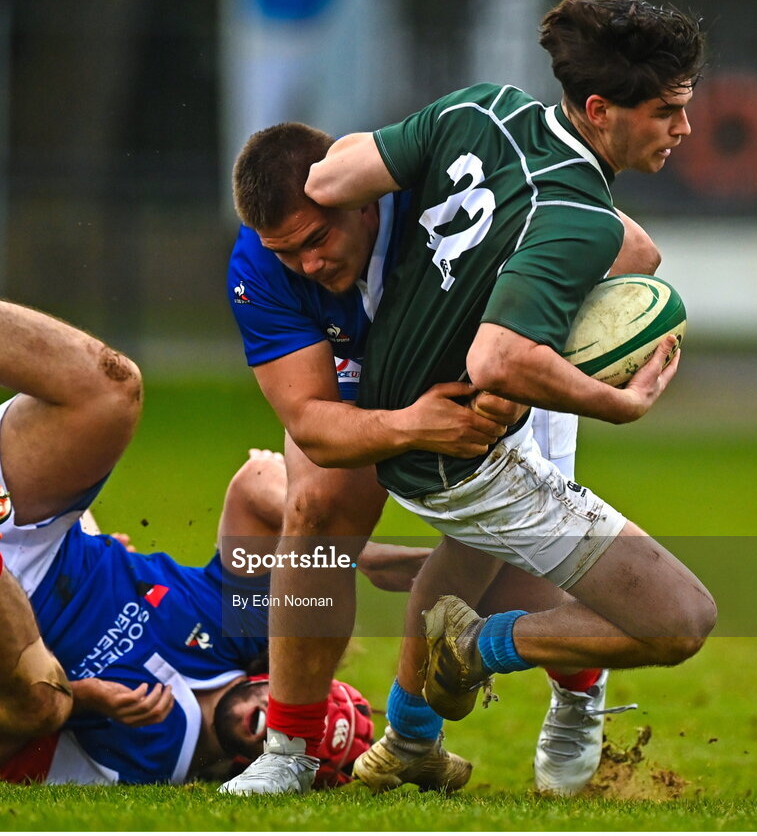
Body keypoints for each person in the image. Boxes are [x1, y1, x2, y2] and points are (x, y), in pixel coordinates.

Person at [0, 205, 408, 787]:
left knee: (34, 696)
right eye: (301, 712)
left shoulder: (154, 761)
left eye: (308, 741)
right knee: (112, 389)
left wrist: (86, 700)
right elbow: (253, 486)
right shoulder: (235, 628)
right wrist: (350, 551)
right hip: (29, 525)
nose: (272, 717)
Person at [299, 0, 715, 763]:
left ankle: (409, 741)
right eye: (666, 111)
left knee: (466, 555)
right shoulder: (579, 217)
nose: (684, 129)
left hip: (397, 414)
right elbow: (498, 360)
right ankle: (486, 645)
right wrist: (616, 403)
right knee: (681, 618)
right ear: (600, 108)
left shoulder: (480, 108)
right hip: (466, 455)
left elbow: (328, 182)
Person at [221, 117, 657, 795]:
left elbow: (633, 250)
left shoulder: (451, 182)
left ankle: (576, 691)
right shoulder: (262, 262)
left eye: (316, 239)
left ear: (362, 199)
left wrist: (527, 348)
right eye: (285, 252)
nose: (306, 265)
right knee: (315, 508)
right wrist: (410, 425)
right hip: (380, 382)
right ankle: (291, 747)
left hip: (494, 374)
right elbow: (311, 422)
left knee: (520, 571)